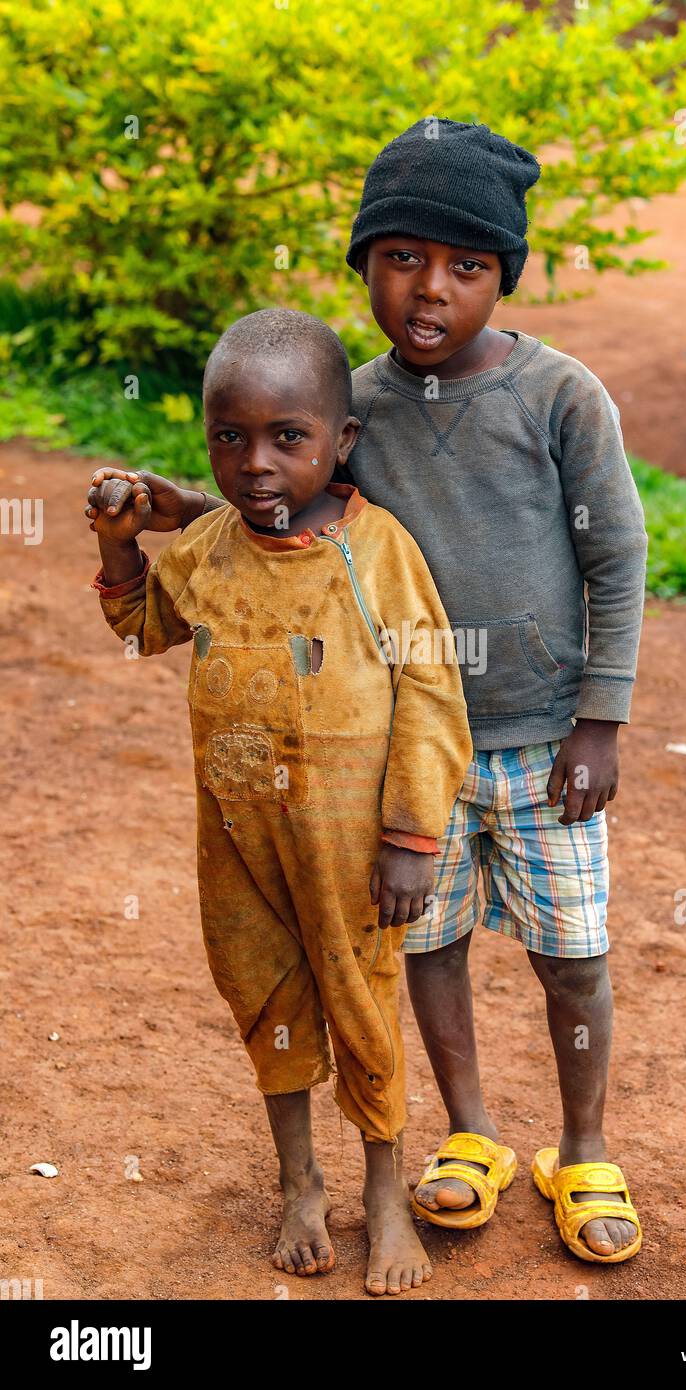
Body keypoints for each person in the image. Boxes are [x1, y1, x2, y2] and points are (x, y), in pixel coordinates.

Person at [88, 116, 648, 1264]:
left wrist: (600, 718)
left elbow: (617, 557)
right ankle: (471, 1134)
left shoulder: (559, 396)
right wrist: (174, 512)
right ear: (363, 267)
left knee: (572, 953)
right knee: (424, 949)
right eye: (400, 258)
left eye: (466, 266)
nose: (428, 290)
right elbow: (285, 521)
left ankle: (584, 1146)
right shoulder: (358, 400)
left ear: (503, 275)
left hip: (541, 742)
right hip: (399, 757)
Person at [88, 307, 472, 1295]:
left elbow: (430, 692)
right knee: (267, 999)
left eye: (285, 438)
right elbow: (142, 628)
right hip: (238, 837)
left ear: (339, 442)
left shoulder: (377, 551)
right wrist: (126, 547)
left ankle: (383, 1195)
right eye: (229, 437)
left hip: (351, 846)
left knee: (359, 1005)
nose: (254, 463)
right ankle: (300, 1182)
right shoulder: (211, 545)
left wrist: (409, 834)